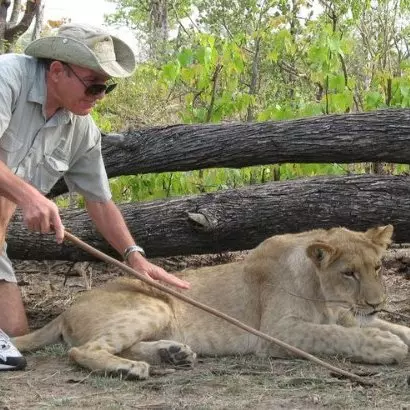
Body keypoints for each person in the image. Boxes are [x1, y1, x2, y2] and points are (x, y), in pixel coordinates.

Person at [0, 23, 190, 370]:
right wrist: (27, 195)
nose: (99, 96)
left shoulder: (81, 129)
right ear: (57, 70)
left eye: (107, 87)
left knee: (13, 335)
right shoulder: (6, 76)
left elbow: (99, 201)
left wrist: (134, 257)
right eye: (94, 85)